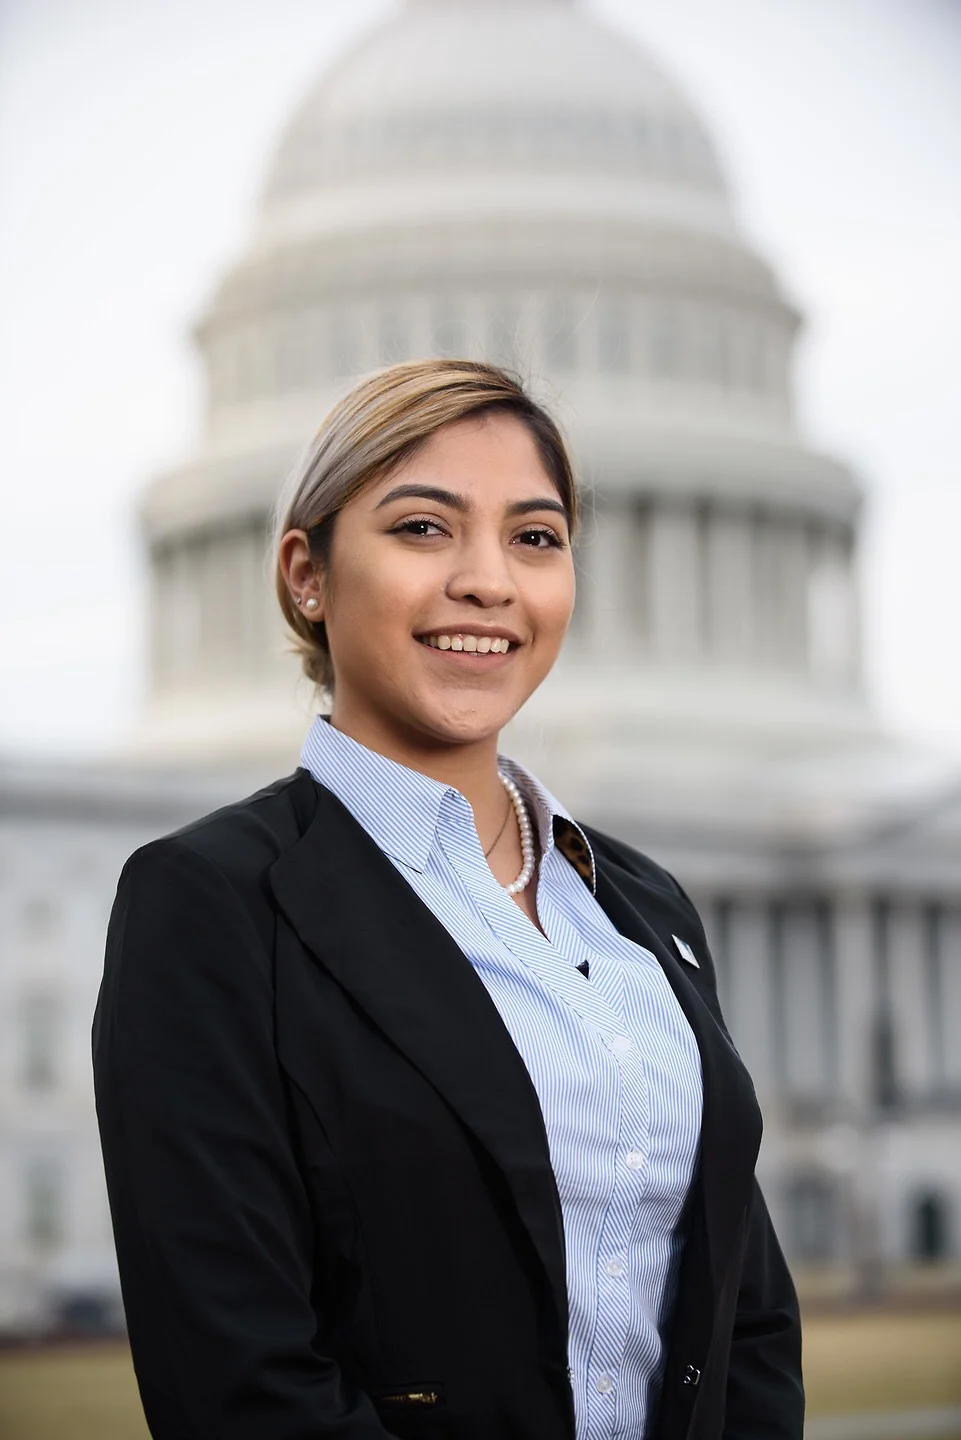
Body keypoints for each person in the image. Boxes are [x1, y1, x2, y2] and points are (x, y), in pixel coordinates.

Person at [93, 359, 803, 1440]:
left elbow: (742, 1314)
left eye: (535, 537)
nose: (488, 582)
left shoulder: (640, 907)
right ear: (307, 575)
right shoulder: (211, 905)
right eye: (423, 528)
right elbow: (237, 1377)